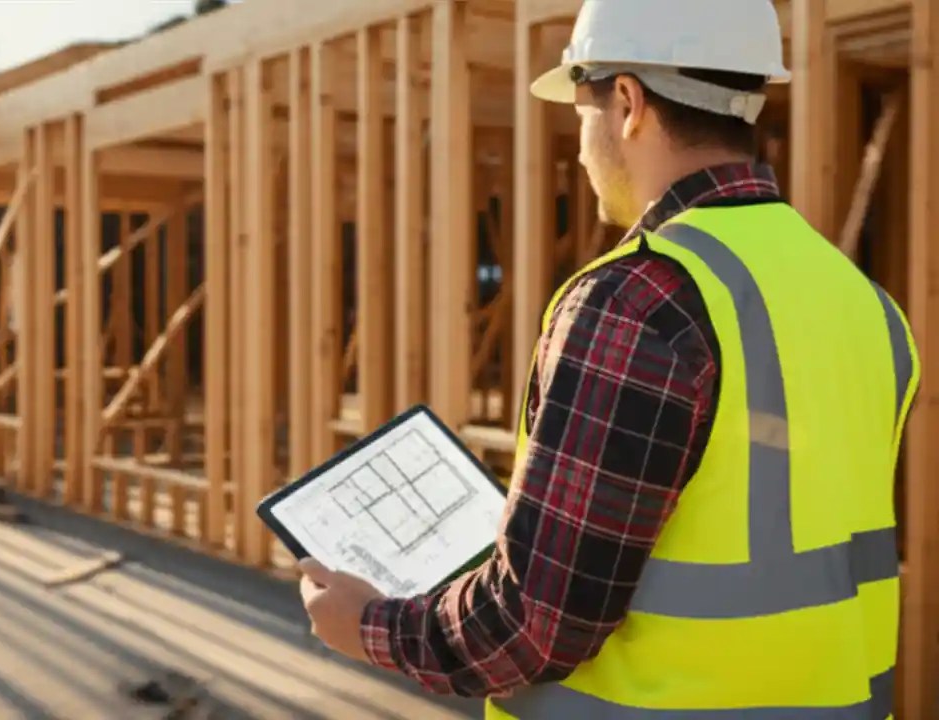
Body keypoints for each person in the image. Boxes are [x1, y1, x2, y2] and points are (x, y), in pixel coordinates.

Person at [296, 1, 920, 717]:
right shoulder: (865, 302)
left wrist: (370, 626)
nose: (583, 142)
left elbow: (532, 627)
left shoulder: (637, 302)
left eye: (581, 110)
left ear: (627, 101)